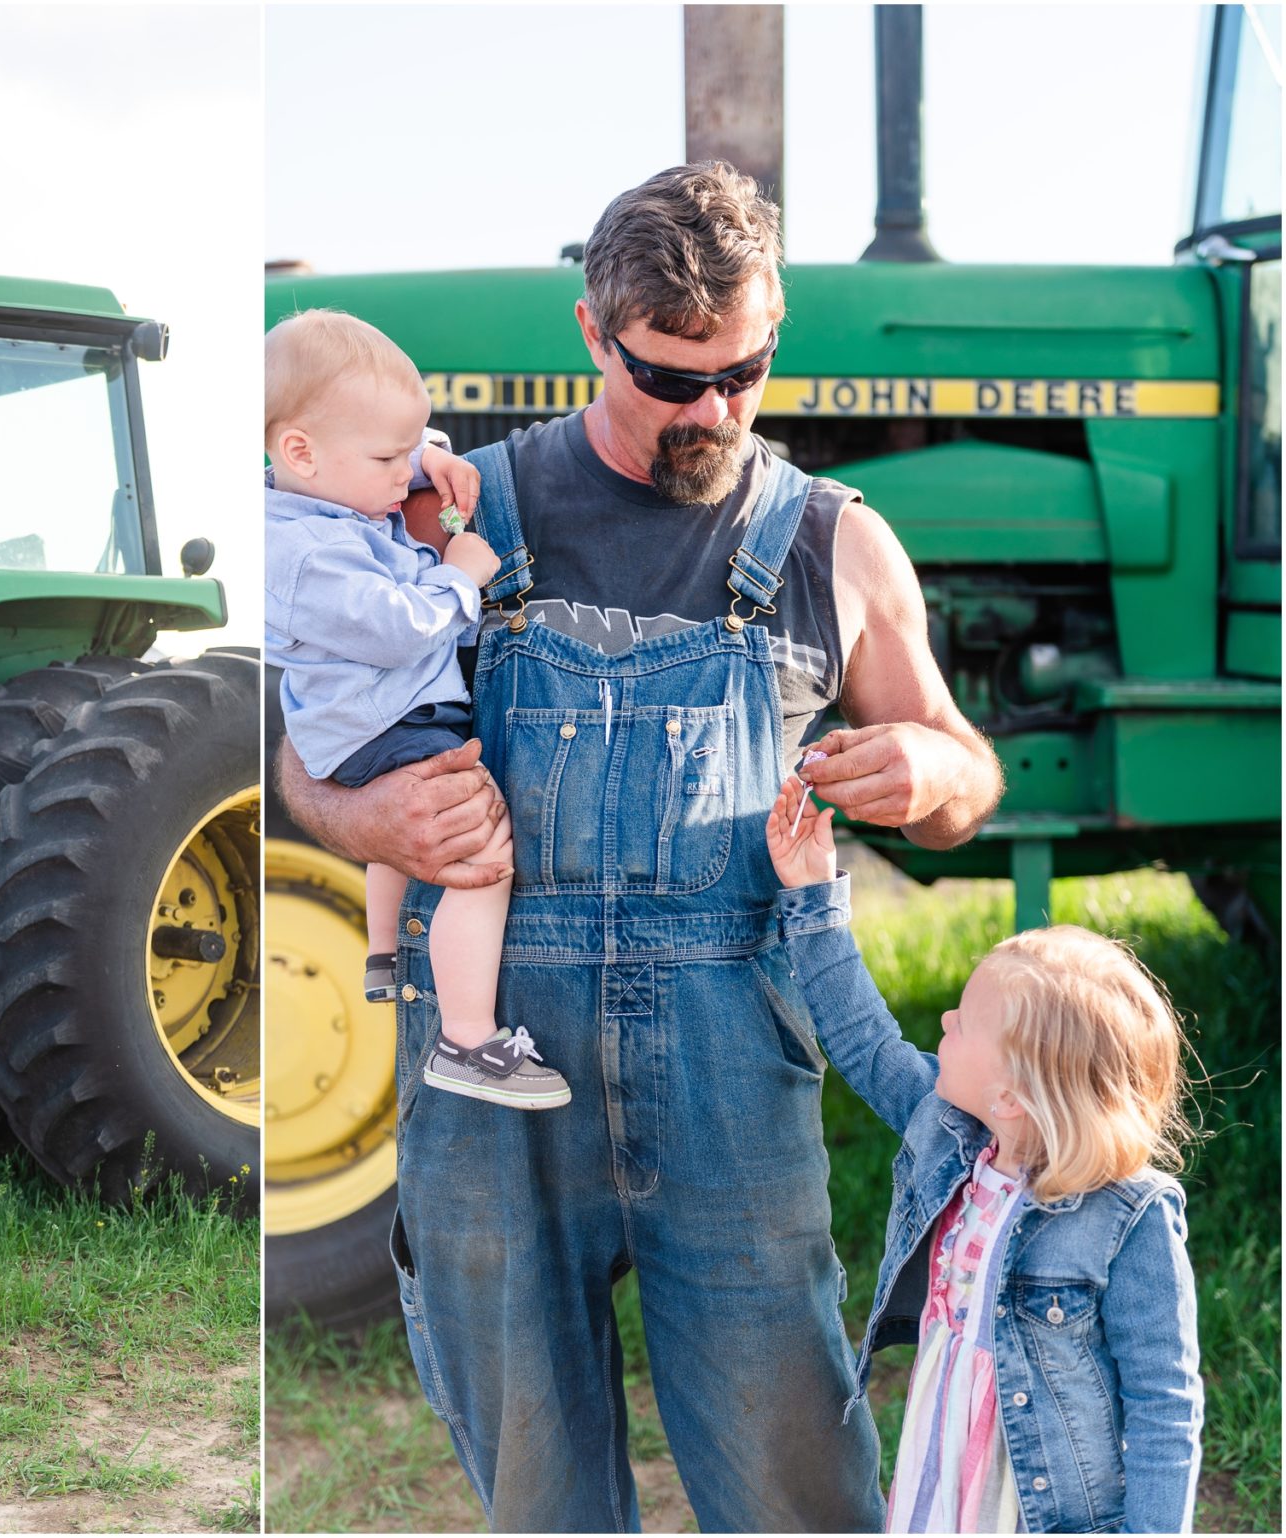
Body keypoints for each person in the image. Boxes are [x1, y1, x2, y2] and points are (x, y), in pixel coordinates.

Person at [276, 161, 1005, 1531]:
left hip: (732, 1076)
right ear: (592, 335)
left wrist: (932, 769)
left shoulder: (834, 542)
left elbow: (968, 772)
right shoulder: (452, 509)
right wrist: (367, 819)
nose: (712, 410)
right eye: (671, 378)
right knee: (540, 1491)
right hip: (493, 1078)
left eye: (744, 372)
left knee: (794, 1484)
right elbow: (305, 750)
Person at [767, 776, 1202, 1533]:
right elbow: (864, 1040)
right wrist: (812, 895)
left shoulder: (1129, 1221)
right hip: (945, 1474)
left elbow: (1164, 1403)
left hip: (1045, 1506)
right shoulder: (954, 1136)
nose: (943, 1019)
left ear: (1011, 1097)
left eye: (962, 1023)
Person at [265, 309, 569, 1109]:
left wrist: (424, 449)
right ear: (301, 452)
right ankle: (467, 1040)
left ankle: (382, 955)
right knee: (480, 847)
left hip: (367, 719)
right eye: (388, 459)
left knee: (400, 839)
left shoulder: (317, 501)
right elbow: (397, 629)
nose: (407, 479)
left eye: (407, 454)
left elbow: (370, 448)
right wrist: (459, 574)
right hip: (382, 715)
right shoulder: (310, 555)